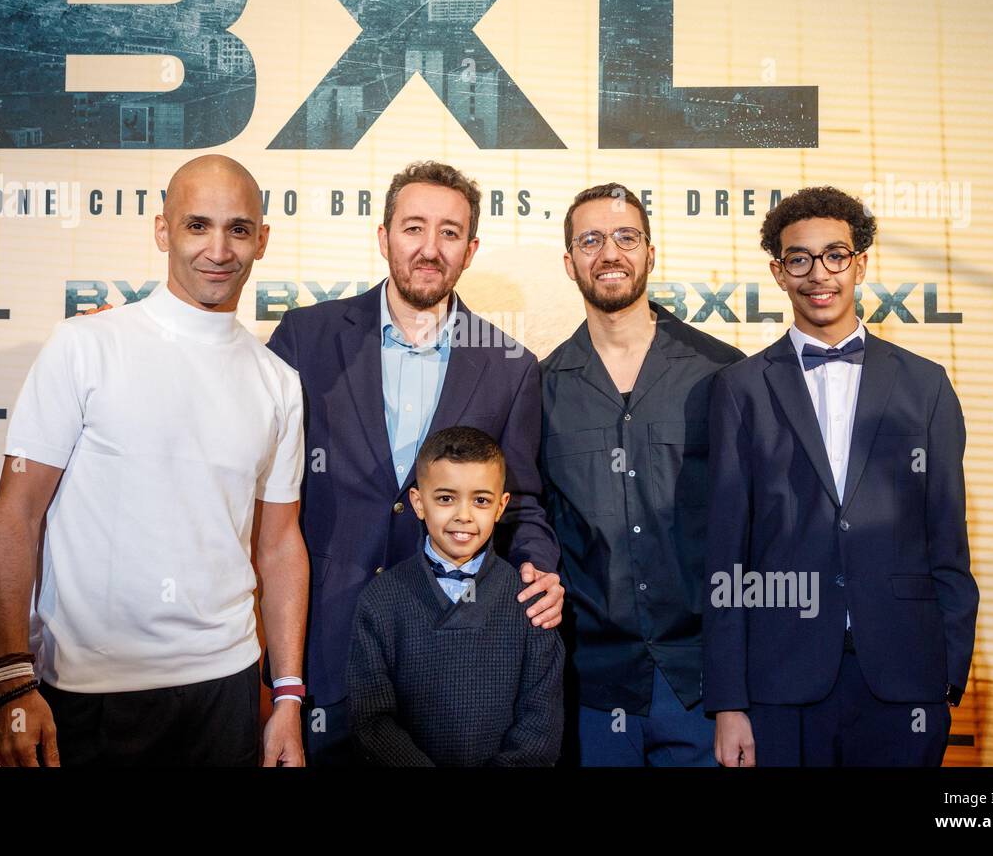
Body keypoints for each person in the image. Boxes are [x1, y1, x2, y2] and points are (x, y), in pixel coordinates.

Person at [0, 154, 310, 767]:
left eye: (239, 229)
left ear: (262, 240)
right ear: (163, 230)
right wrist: (13, 681)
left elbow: (280, 544)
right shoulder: (85, 347)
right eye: (197, 225)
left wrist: (287, 693)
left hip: (227, 686)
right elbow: (17, 513)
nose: (219, 248)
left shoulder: (279, 382)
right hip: (90, 693)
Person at [266, 160, 563, 764]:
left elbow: (523, 499)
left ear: (471, 249)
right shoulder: (305, 337)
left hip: (449, 654)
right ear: (383, 237)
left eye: (450, 232)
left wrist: (537, 575)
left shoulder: (509, 364)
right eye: (413, 228)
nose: (430, 249)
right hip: (321, 634)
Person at [704, 185, 978, 766]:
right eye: (798, 259)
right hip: (779, 682)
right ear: (779, 273)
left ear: (860, 263)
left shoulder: (925, 385)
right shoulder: (740, 389)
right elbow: (726, 553)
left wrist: (947, 675)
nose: (818, 274)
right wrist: (728, 702)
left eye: (835, 255)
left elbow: (947, 542)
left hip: (906, 676)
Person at [540, 183, 744, 766]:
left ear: (651, 253)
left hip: (704, 686)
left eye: (627, 237)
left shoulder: (722, 374)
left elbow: (752, 532)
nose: (610, 253)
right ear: (569, 261)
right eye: (592, 240)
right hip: (592, 689)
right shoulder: (543, 387)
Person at [347, 426, 564, 766]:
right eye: (446, 498)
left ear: (501, 506)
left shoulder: (531, 602)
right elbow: (372, 720)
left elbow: (540, 726)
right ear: (418, 503)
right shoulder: (381, 600)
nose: (463, 515)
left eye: (481, 500)